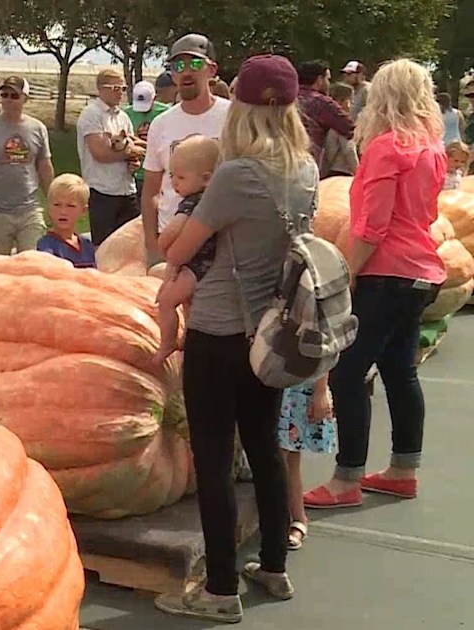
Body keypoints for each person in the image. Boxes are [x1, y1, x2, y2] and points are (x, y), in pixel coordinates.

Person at [153, 54, 317, 622]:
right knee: (265, 447)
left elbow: (176, 250)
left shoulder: (235, 174)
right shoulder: (305, 170)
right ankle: (273, 565)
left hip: (219, 331)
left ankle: (220, 590)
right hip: (270, 333)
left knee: (215, 457)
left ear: (241, 106)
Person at [304, 59, 448, 509]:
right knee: (400, 370)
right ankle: (404, 470)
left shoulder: (388, 148)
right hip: (423, 273)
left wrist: (343, 276)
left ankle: (346, 480)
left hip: (386, 274)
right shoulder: (432, 148)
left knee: (348, 372)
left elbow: (373, 226)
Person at [140, 33, 231, 266]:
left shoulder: (233, 118)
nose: (187, 71)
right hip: (173, 241)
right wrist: (153, 245)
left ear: (211, 70)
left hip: (225, 241)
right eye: (179, 65)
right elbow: (151, 190)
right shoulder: (161, 124)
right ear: (172, 74)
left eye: (196, 63)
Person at [152, 135, 220, 365]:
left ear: (206, 179)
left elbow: (175, 229)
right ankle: (189, 337)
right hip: (202, 262)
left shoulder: (193, 201)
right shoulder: (214, 197)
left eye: (180, 177)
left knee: (167, 301)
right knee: (188, 303)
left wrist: (162, 243)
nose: (174, 182)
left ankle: (167, 343)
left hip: (199, 264)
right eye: (171, 176)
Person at [0, 76, 54, 255]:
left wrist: (53, 201)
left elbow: (44, 165)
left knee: (33, 262)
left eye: (14, 96)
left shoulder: (37, 128)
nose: (8, 99)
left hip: (30, 208)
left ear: (25, 99)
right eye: (4, 95)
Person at [77, 68, 146, 245]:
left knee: (130, 246)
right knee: (104, 247)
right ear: (101, 89)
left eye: (123, 89)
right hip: (103, 191)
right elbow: (100, 153)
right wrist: (131, 152)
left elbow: (133, 146)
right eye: (116, 88)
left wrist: (134, 162)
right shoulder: (91, 114)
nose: (120, 93)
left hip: (127, 189)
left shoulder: (123, 117)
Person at [279, 373, 336, 550]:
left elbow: (322, 349)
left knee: (287, 454)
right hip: (267, 374)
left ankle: (296, 517)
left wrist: (320, 390)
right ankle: (291, 517)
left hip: (294, 381)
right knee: (281, 455)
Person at [296, 60, 355, 168]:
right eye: (327, 79)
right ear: (319, 80)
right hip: (307, 163)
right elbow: (348, 127)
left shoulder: (286, 100)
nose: (329, 83)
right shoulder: (321, 103)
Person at [124, 80, 171, 209]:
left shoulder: (166, 113)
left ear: (154, 98)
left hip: (157, 173)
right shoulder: (125, 113)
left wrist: (142, 144)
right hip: (133, 174)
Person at [36, 174, 97, 269]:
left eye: (71, 206)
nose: (63, 211)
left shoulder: (86, 244)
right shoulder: (47, 245)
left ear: (83, 210)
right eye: (57, 205)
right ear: (49, 208)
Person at [320, 83, 360, 178]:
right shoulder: (342, 125)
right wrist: (358, 173)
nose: (352, 104)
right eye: (350, 100)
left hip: (329, 171)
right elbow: (349, 150)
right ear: (340, 101)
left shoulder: (329, 122)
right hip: (342, 171)